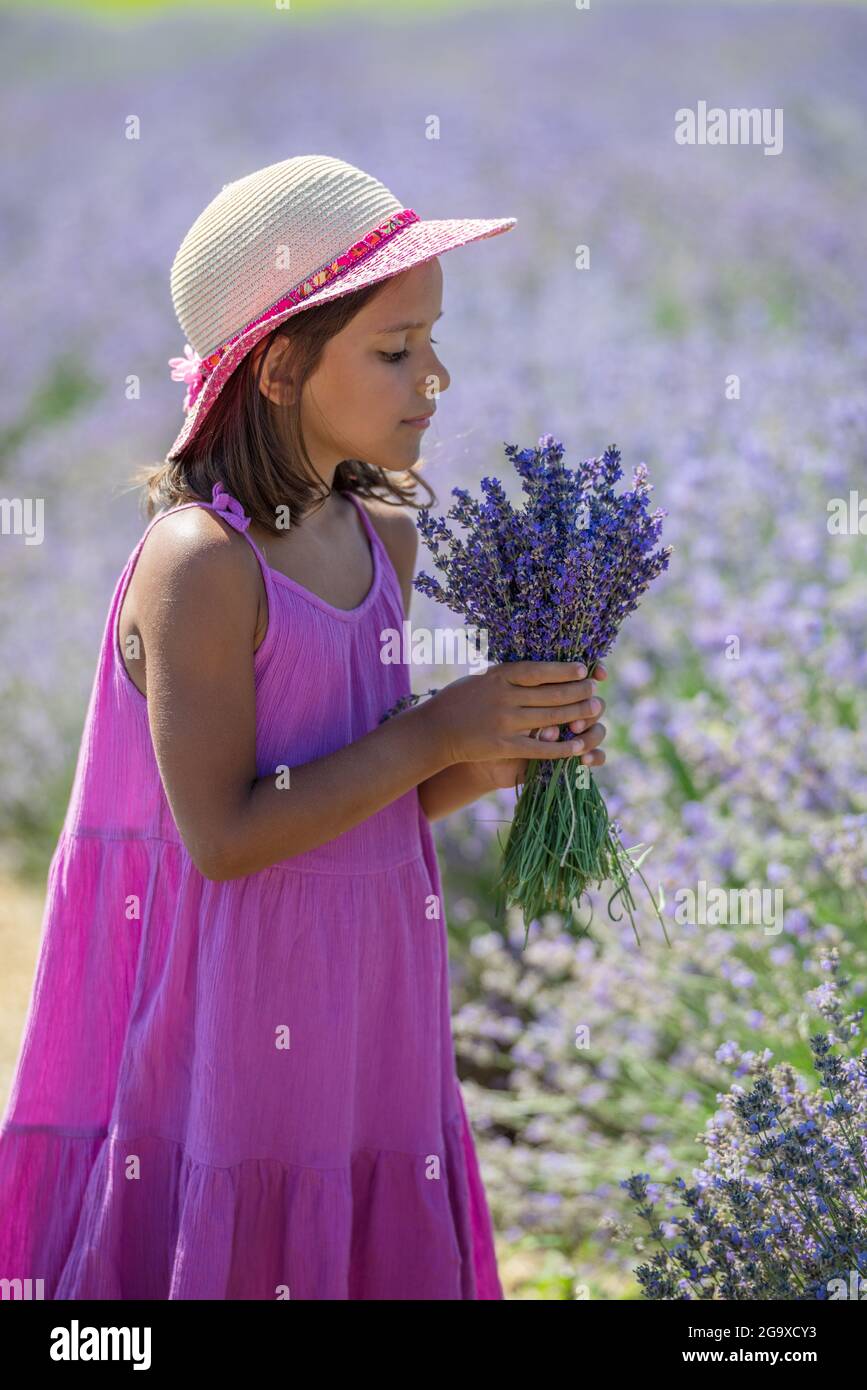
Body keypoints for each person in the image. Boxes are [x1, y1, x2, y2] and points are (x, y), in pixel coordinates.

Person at [0, 155, 607, 1300]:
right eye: (394, 349)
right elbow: (227, 833)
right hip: (238, 1018)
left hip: (372, 998)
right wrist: (434, 732)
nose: (435, 377)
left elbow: (356, 793)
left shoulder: (384, 542)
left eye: (430, 340)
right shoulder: (203, 565)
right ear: (280, 368)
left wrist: (497, 749)